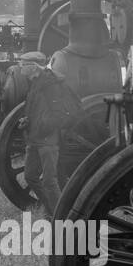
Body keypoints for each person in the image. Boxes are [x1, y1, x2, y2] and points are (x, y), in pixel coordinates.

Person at [20, 51, 82, 216]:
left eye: (23, 65)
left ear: (33, 67)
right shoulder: (35, 82)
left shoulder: (50, 84)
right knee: (30, 176)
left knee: (49, 181)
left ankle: (60, 215)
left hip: (47, 140)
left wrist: (43, 126)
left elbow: (59, 115)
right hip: (35, 138)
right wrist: (28, 121)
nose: (20, 68)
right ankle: (51, 208)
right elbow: (36, 109)